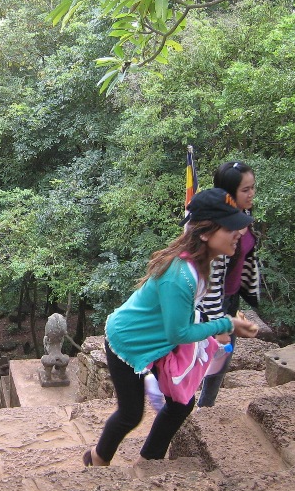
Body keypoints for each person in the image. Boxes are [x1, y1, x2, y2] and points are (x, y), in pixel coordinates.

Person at [83, 188, 259, 466]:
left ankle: (149, 462)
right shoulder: (180, 276)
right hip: (129, 342)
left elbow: (189, 314)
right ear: (205, 233)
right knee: (130, 414)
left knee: (181, 404)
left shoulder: (202, 265)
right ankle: (96, 459)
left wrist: (219, 324)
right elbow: (179, 333)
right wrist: (226, 324)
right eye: (230, 227)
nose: (239, 233)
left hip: (158, 341)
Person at [197, 161, 261, 407]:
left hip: (231, 297)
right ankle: (181, 411)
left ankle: (205, 409)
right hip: (210, 302)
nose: (251, 194)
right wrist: (218, 321)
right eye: (245, 190)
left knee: (222, 360)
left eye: (252, 188)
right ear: (228, 193)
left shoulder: (243, 218)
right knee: (202, 357)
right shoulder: (216, 227)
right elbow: (209, 280)